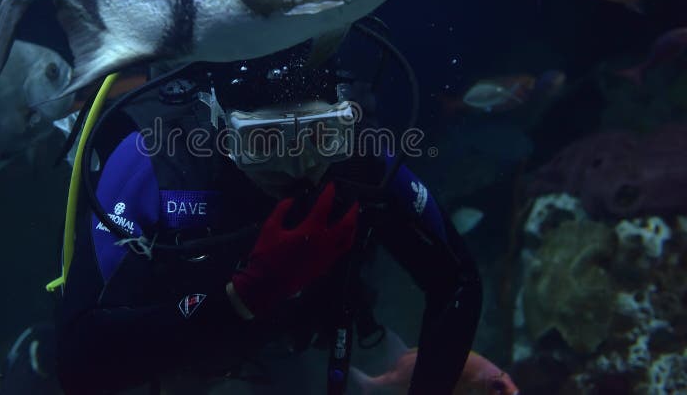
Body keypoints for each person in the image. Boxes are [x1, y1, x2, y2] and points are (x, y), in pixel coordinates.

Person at [51, 20, 483, 395]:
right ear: (219, 126)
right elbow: (78, 363)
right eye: (263, 142)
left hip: (297, 344)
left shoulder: (359, 158)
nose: (301, 167)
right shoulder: (155, 163)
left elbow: (457, 279)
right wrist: (241, 298)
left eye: (322, 136)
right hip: (179, 368)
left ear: (343, 117)